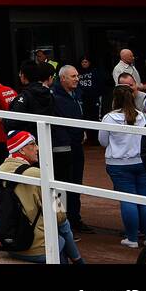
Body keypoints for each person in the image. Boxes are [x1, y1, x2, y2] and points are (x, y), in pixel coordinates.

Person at [0, 130, 83, 263]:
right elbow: (60, 215)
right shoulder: (37, 174)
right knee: (63, 224)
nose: (38, 148)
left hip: (8, 244)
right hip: (38, 248)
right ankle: (78, 260)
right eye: (33, 144)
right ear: (22, 150)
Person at [99, 84, 146, 249]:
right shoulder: (143, 116)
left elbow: (103, 141)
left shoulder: (109, 118)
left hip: (118, 164)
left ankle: (132, 238)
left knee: (128, 200)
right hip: (142, 162)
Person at [51, 64, 89, 231]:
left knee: (76, 183)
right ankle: (60, 222)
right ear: (63, 78)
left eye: (77, 76)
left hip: (77, 146)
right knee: (60, 185)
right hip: (62, 149)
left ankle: (75, 219)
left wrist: (82, 131)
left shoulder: (77, 94)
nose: (77, 79)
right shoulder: (54, 97)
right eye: (73, 76)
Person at [3, 60, 55, 137]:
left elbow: (13, 122)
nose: (19, 75)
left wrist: (4, 120)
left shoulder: (25, 96)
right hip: (47, 139)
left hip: (29, 142)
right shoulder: (49, 94)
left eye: (20, 73)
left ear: (23, 75)